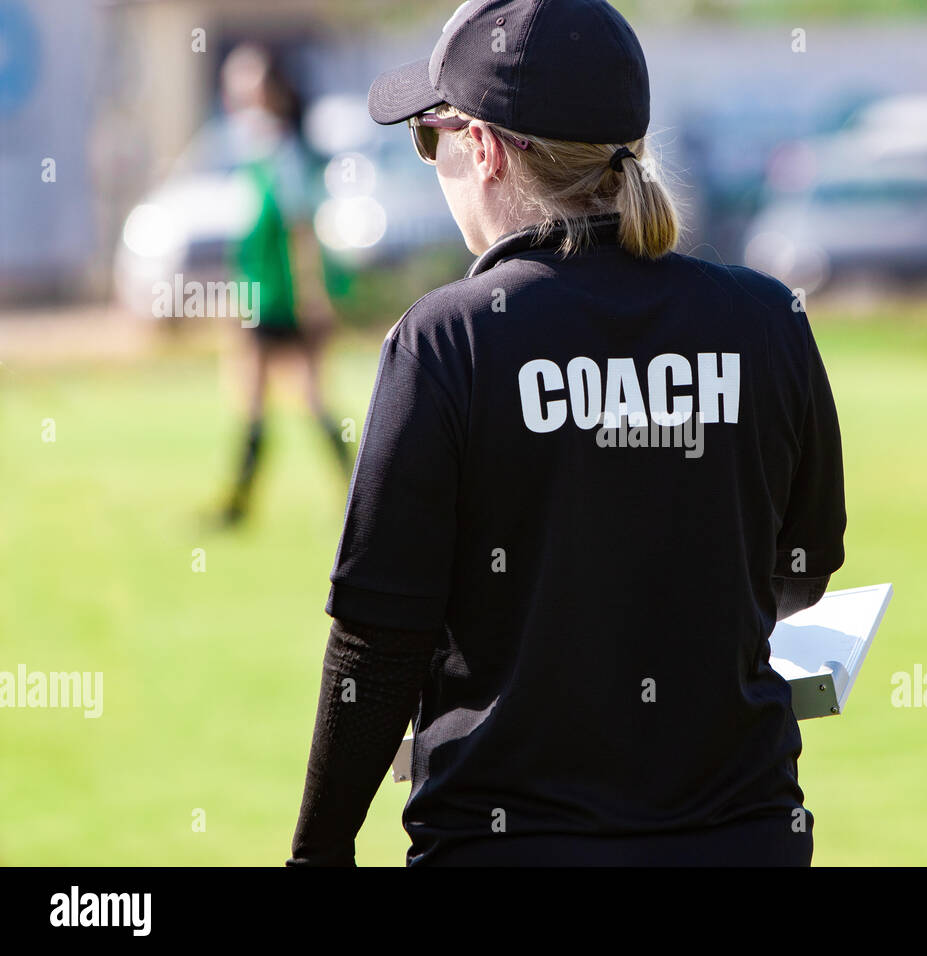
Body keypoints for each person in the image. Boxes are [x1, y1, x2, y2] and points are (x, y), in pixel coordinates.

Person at [288, 0, 845, 867]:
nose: (433, 161)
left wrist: (316, 855)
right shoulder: (769, 317)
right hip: (744, 839)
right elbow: (804, 568)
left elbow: (378, 639)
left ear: (483, 147)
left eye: (428, 136)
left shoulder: (449, 339)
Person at [216, 43, 352, 526]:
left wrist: (313, 297)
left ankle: (363, 492)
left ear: (271, 91)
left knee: (311, 398)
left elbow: (300, 231)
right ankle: (237, 505)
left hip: (287, 298)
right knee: (250, 398)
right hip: (259, 295)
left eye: (246, 81)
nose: (235, 90)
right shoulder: (252, 145)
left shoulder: (286, 152)